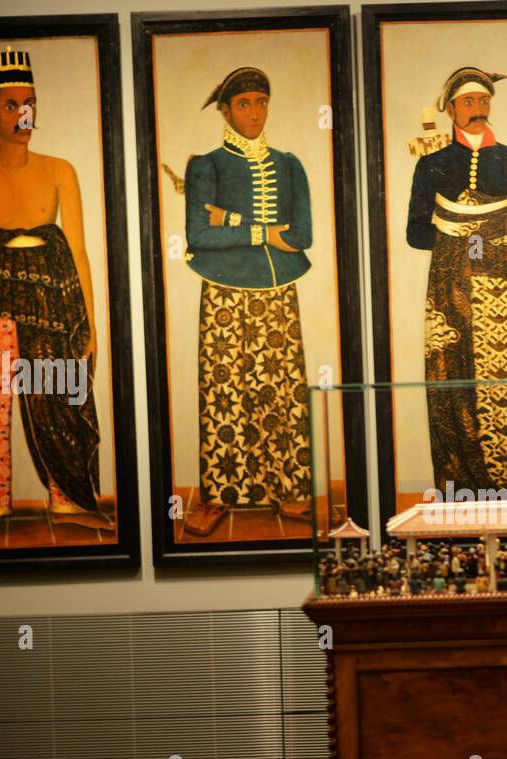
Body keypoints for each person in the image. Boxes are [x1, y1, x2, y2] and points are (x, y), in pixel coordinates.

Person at [0, 49, 109, 538]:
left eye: (30, 103)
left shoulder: (60, 169)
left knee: (58, 395)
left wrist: (90, 324)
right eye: (12, 105)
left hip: (54, 303)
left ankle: (68, 499)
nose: (23, 115)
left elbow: (78, 253)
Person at [406, 66, 507, 495]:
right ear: (451, 108)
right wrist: (459, 238)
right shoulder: (431, 165)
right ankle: (461, 487)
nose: (478, 110)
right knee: (452, 383)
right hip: (448, 289)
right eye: (468, 102)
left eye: (484, 101)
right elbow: (415, 233)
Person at [182, 66, 313, 536]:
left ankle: (290, 486)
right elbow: (198, 236)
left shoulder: (290, 163)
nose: (254, 112)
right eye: (243, 104)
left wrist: (230, 220)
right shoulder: (206, 165)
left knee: (282, 390)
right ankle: (218, 494)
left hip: (278, 289)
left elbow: (301, 237)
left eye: (261, 102)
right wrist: (260, 232)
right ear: (225, 109)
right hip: (222, 290)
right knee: (223, 394)